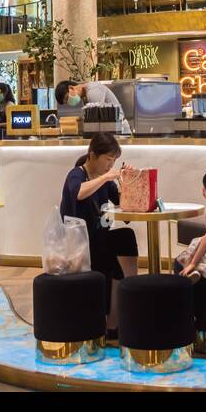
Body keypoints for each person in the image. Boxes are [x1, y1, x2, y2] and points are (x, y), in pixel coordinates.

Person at [59, 133, 138, 334]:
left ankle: (126, 306)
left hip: (99, 238)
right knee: (114, 254)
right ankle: (114, 321)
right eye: (108, 159)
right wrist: (105, 178)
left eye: (114, 160)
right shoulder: (76, 174)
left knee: (126, 236)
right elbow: (78, 192)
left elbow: (126, 208)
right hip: (80, 242)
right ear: (92, 155)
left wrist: (127, 181)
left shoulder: (106, 182)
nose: (111, 165)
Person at [54, 79, 123, 115]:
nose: (69, 102)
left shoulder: (93, 91)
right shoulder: (86, 94)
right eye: (67, 102)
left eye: (67, 98)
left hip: (119, 128)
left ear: (71, 88)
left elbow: (96, 119)